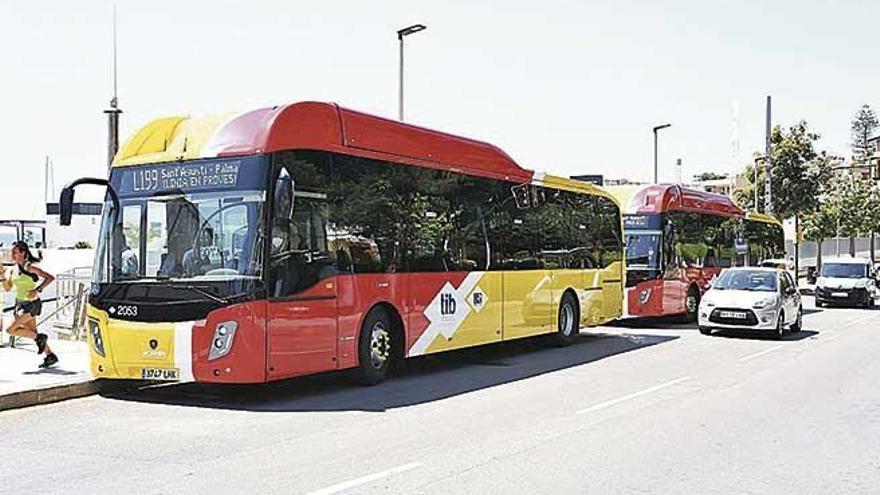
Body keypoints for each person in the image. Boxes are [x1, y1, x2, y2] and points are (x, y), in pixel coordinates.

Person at [0, 241, 57, 368]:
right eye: (12, 252)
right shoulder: (12, 269)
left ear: (23, 253)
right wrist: (2, 276)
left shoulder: (29, 267)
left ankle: (41, 338)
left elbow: (50, 277)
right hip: (19, 304)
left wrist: (37, 290)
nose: (12, 254)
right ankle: (50, 355)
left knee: (11, 330)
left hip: (31, 304)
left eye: (14, 252)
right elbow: (8, 288)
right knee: (32, 332)